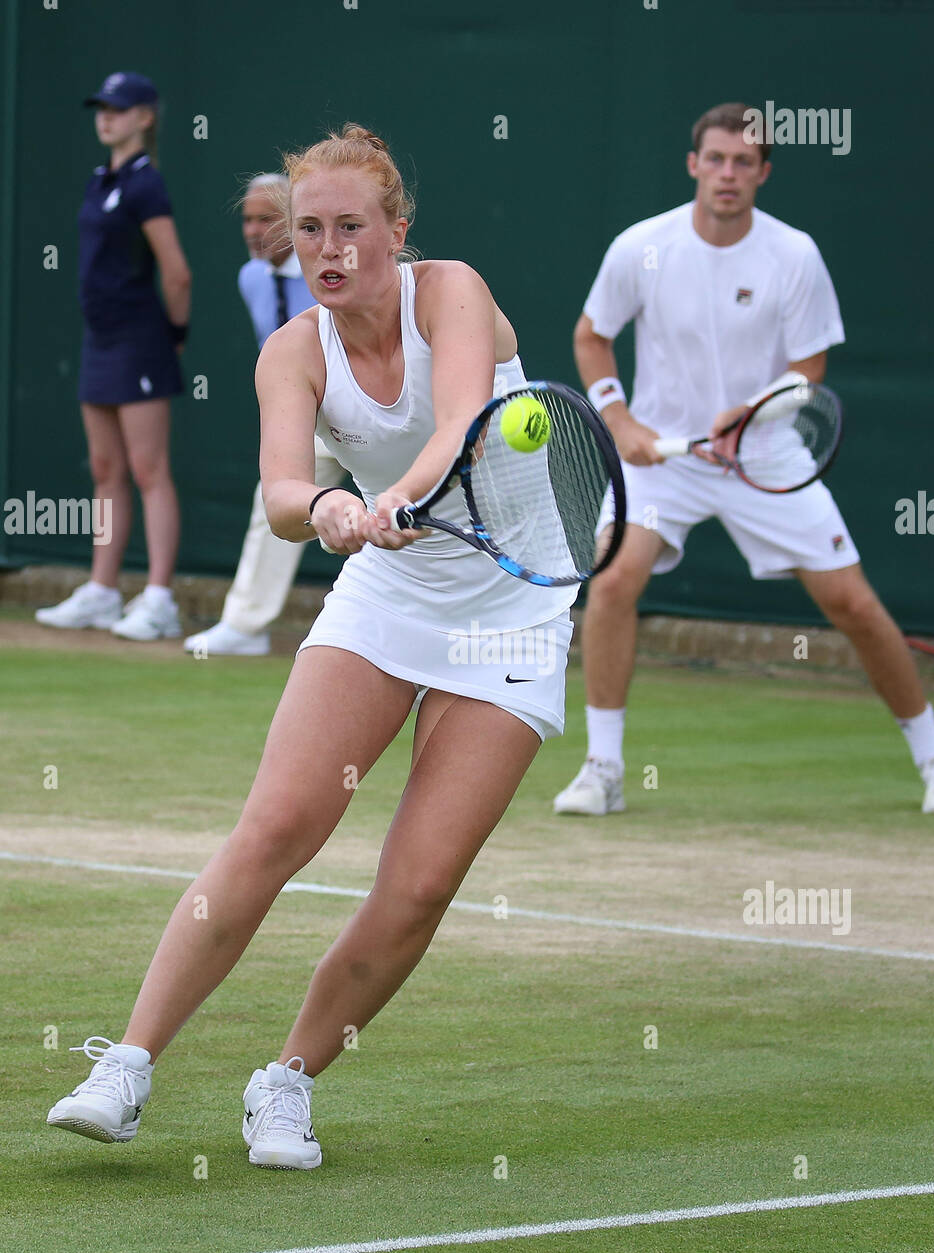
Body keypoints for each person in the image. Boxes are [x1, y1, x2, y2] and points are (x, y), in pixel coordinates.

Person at [47, 125, 574, 1170]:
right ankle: (128, 1065)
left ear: (396, 232)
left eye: (349, 228)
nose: (326, 250)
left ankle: (285, 1081)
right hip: (390, 592)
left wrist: (390, 493)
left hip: (511, 607)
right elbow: (282, 490)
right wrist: (329, 507)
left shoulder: (452, 292)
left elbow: (463, 419)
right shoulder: (292, 351)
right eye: (307, 233)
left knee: (419, 882)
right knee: (277, 824)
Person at [553, 101, 934, 819]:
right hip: (665, 456)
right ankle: (603, 768)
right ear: (693, 165)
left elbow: (808, 369)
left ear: (763, 173)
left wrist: (751, 415)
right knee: (616, 576)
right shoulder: (641, 247)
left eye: (743, 163)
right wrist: (618, 419)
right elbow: (593, 335)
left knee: (852, 604)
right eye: (715, 159)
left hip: (768, 453)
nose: (727, 174)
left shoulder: (794, 254)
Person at [36, 71, 191, 641]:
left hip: (140, 340)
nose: (107, 117)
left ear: (145, 117)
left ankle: (159, 598)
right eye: (101, 107)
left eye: (119, 108)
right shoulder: (99, 180)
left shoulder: (148, 185)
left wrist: (175, 333)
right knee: (106, 471)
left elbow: (176, 272)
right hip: (99, 340)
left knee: (150, 470)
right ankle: (102, 591)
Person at [183, 174, 345, 657]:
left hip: (365, 407)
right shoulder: (251, 276)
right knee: (274, 501)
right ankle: (245, 626)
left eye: (267, 219)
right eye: (247, 220)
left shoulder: (328, 269)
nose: (254, 231)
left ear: (296, 224)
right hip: (310, 413)